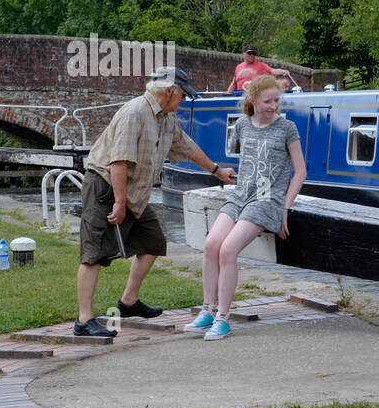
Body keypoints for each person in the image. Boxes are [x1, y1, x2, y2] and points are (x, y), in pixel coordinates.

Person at [76, 67, 237, 337]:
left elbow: (188, 148)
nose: (184, 101)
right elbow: (118, 162)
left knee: (153, 242)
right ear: (171, 90)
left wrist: (217, 170)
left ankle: (128, 302)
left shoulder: (165, 119)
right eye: (184, 95)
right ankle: (84, 321)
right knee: (94, 254)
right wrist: (118, 202)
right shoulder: (135, 113)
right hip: (107, 188)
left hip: (133, 194)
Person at [186, 74, 306, 340]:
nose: (274, 105)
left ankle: (223, 318)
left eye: (277, 100)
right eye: (268, 101)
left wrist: (285, 207)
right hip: (241, 193)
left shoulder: (288, 128)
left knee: (228, 250)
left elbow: (300, 171)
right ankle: (207, 309)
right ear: (252, 100)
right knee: (211, 245)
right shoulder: (242, 125)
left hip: (266, 199)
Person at [228, 44, 293, 92]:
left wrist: (283, 71)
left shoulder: (261, 65)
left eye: (254, 53)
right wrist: (227, 95)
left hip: (254, 97)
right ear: (243, 54)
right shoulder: (238, 67)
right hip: (240, 97)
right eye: (249, 53)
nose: (252, 55)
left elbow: (272, 71)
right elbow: (234, 83)